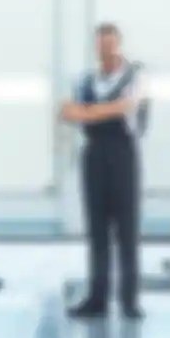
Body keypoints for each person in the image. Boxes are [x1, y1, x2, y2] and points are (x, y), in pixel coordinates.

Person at [59, 23, 148, 320]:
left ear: (118, 45)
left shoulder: (135, 77)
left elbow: (126, 107)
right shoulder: (86, 80)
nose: (106, 49)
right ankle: (97, 298)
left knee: (127, 229)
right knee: (97, 229)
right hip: (94, 155)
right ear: (96, 47)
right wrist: (102, 110)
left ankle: (129, 300)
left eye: (110, 44)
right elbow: (66, 112)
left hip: (122, 155)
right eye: (101, 44)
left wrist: (89, 112)